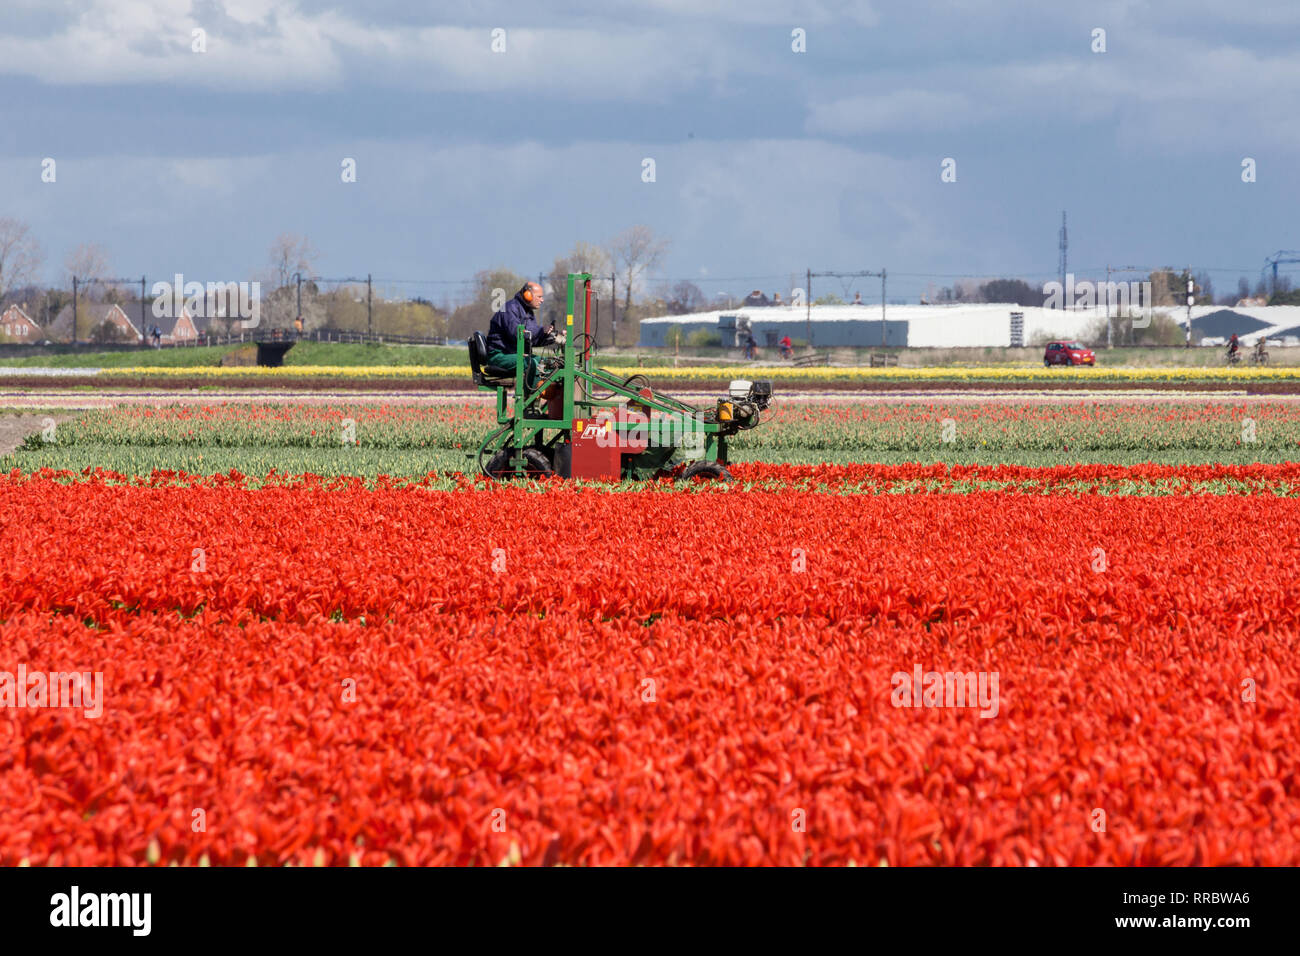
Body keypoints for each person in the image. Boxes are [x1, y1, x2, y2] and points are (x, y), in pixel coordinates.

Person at [485, 281, 563, 389]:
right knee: (533, 363)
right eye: (539, 297)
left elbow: (531, 339)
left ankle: (539, 397)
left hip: (513, 354)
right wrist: (541, 330)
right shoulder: (510, 308)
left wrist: (552, 337)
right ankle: (530, 398)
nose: (542, 300)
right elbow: (517, 334)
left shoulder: (528, 312)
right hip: (499, 355)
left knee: (549, 363)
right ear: (528, 295)